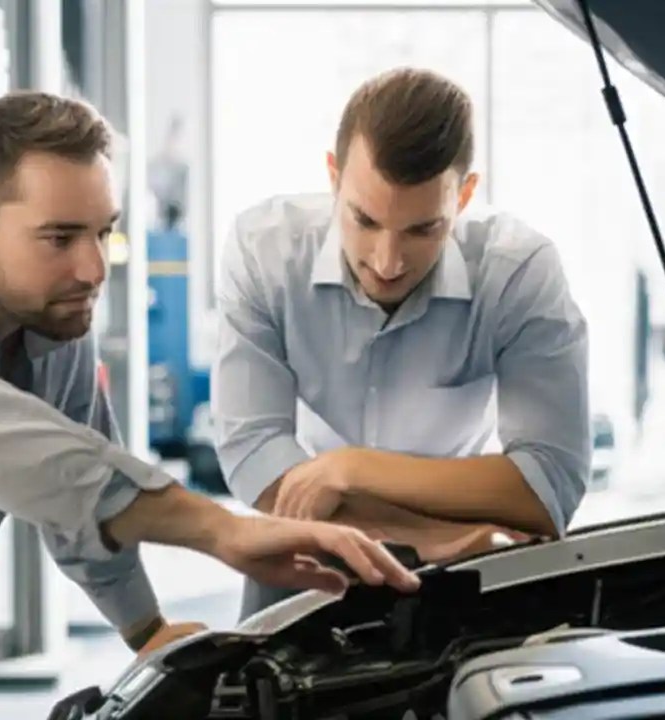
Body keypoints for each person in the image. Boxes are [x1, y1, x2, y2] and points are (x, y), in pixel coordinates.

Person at [0, 91, 419, 720]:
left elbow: (80, 497)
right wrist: (221, 528)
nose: (95, 268)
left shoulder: (49, 327)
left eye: (105, 233)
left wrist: (146, 629)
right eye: (60, 238)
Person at [212, 67, 591, 618]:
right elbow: (253, 453)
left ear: (464, 195)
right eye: (363, 219)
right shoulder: (264, 250)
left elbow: (549, 486)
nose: (387, 261)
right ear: (333, 176)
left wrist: (351, 468)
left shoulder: (519, 272)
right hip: (317, 547)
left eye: (423, 230)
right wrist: (423, 532)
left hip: (460, 571)